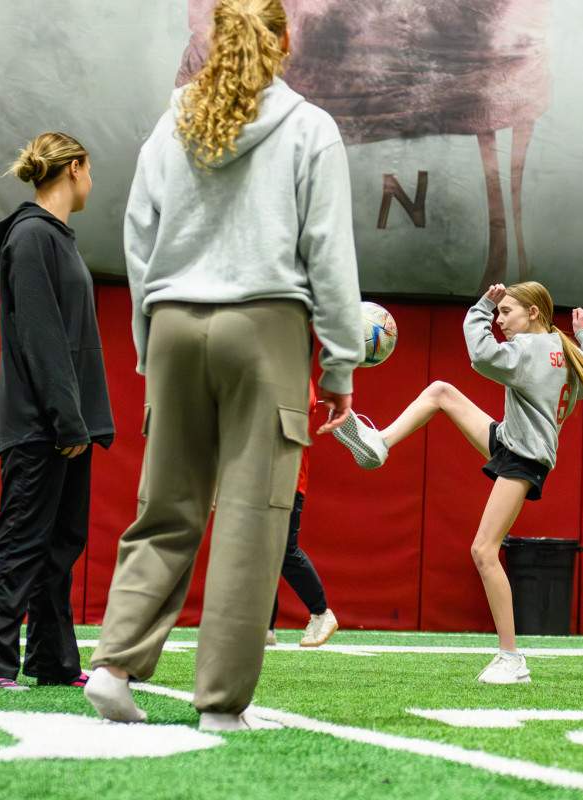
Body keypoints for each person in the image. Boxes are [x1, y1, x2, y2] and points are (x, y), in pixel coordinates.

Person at [84, 0, 362, 731]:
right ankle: (220, 705)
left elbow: (138, 232)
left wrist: (148, 340)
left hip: (174, 322)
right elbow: (329, 254)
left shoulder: (173, 122)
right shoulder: (310, 128)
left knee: (165, 506)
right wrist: (340, 365)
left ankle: (113, 667)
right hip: (265, 327)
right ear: (285, 40)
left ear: (212, 39)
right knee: (251, 517)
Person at [332, 281, 583, 684]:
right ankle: (380, 443)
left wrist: (482, 307)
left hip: (523, 456)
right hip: (511, 439)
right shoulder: (566, 354)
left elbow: (482, 355)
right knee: (440, 392)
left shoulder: (529, 349)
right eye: (498, 313)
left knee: (484, 551)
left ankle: (511, 658)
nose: (500, 320)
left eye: (507, 312)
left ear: (533, 313)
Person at [0, 132, 115, 690]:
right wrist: (65, 419)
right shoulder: (30, 236)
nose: (92, 180)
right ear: (75, 167)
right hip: (44, 425)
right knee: (21, 540)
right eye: (90, 168)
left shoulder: (56, 237)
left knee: (60, 546)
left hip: (67, 422)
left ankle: (54, 662)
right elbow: (40, 335)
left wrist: (78, 420)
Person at [266, 381, 339, 648]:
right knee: (261, 554)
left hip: (286, 478)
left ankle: (321, 613)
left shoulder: (294, 376)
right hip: (263, 477)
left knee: (285, 551)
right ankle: (264, 626)